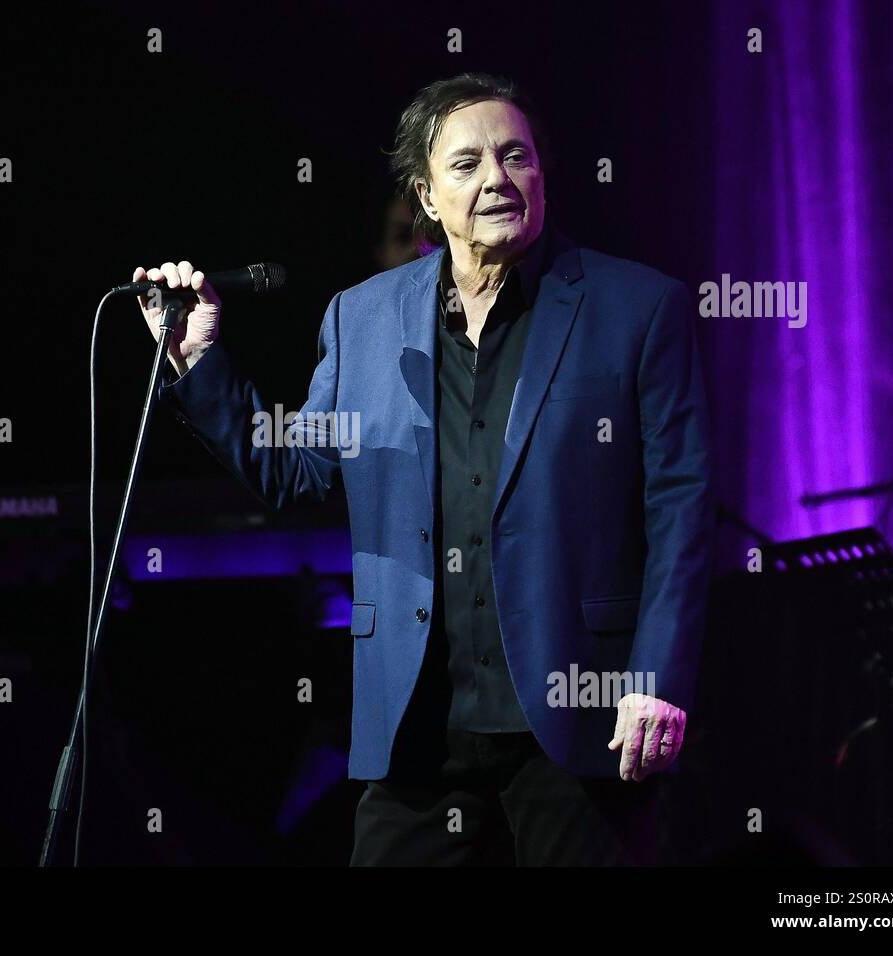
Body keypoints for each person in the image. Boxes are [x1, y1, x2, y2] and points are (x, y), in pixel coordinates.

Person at [134, 72, 713, 865]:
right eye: (468, 163)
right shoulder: (363, 315)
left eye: (517, 157)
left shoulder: (638, 307)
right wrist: (198, 357)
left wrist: (657, 673)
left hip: (582, 722)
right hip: (416, 729)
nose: (498, 179)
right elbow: (300, 470)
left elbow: (680, 504)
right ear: (427, 199)